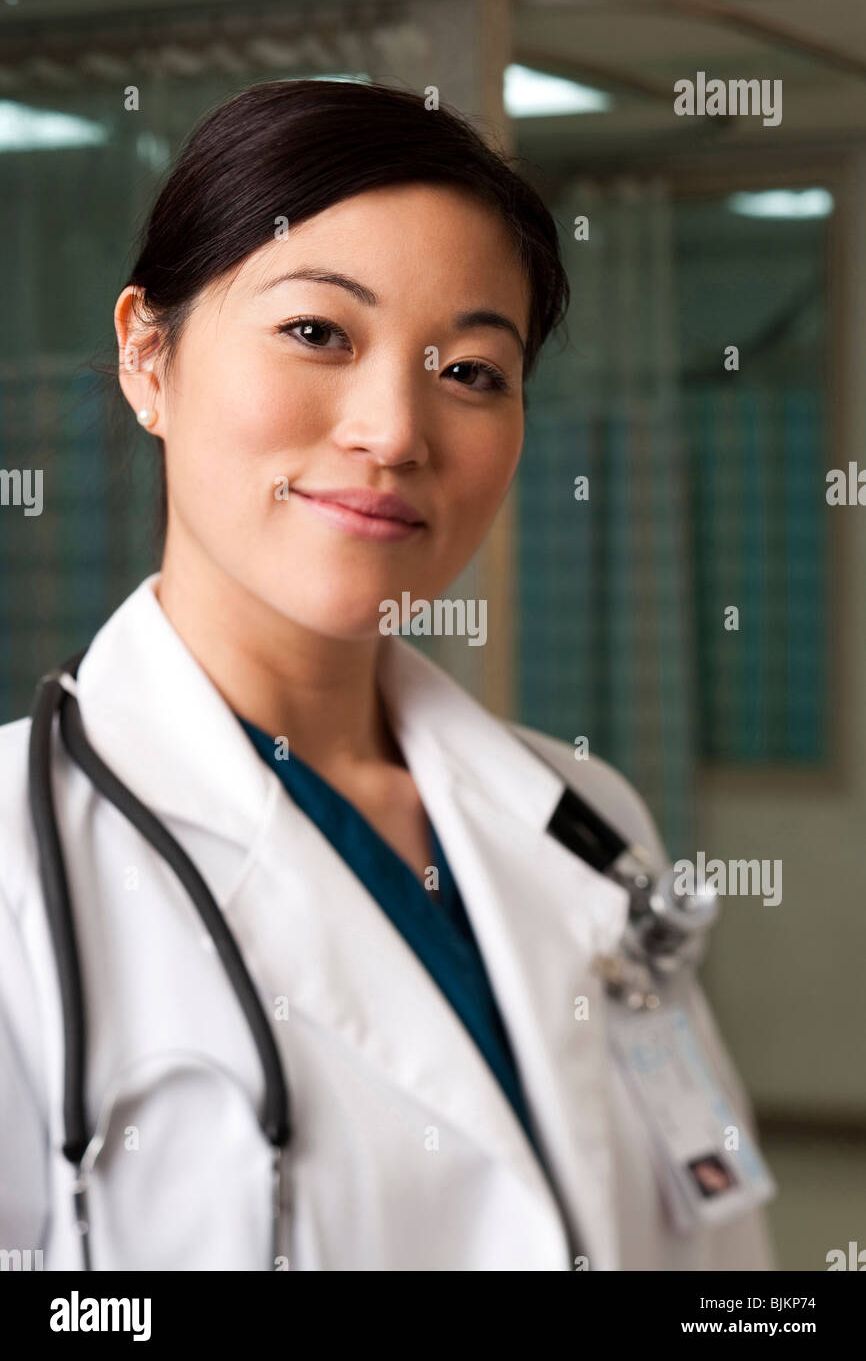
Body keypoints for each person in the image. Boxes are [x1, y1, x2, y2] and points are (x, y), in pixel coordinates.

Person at [0, 78, 774, 1271]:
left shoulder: (585, 822)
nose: (393, 430)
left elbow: (716, 1246)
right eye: (317, 332)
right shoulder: (17, 862)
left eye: (469, 369)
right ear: (147, 355)